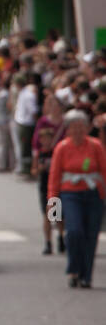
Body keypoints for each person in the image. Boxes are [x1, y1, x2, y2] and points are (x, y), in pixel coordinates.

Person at [47, 109, 105, 288]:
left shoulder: (95, 146)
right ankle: (73, 269)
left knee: (91, 235)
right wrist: (53, 206)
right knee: (74, 231)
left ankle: (86, 275)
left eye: (81, 127)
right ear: (68, 130)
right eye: (74, 127)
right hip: (71, 194)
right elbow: (54, 178)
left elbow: (103, 171)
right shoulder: (62, 148)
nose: (78, 131)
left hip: (93, 194)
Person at [34, 94, 67, 255]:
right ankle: (48, 242)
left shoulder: (65, 124)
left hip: (59, 177)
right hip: (45, 180)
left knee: (58, 212)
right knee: (47, 212)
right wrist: (37, 167)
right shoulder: (43, 122)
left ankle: (61, 237)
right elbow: (35, 146)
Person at [13, 71, 39, 175]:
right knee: (22, 146)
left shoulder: (28, 95)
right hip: (21, 122)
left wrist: (36, 123)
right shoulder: (22, 92)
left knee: (26, 147)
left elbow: (33, 111)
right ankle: (23, 167)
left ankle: (27, 169)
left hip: (26, 124)